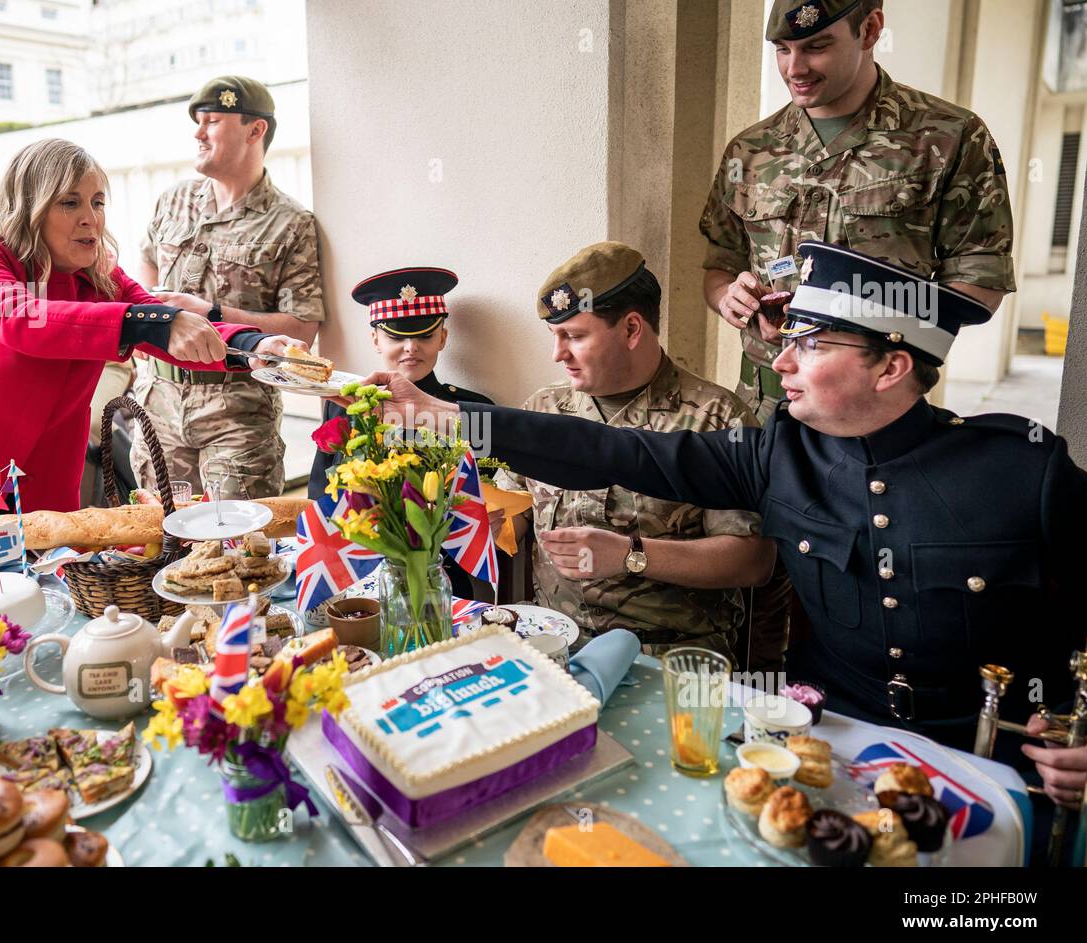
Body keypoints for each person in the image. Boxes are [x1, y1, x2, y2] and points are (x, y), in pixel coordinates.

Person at [352, 242, 1086, 796]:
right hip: (823, 747)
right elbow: (615, 451)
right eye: (788, 339)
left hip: (991, 768)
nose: (783, 361)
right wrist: (452, 420)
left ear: (891, 368)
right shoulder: (779, 456)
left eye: (812, 344)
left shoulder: (1024, 474)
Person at [0, 138, 302, 601]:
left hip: (37, 482)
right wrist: (150, 322)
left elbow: (167, 327)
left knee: (20, 617)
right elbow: (19, 317)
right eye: (70, 203)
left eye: (98, 201)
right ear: (30, 205)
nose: (90, 219)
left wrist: (255, 347)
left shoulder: (98, 274)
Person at [699, 0, 1017, 673]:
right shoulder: (751, 151)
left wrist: (863, 325)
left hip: (877, 418)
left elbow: (979, 283)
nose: (794, 68)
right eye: (781, 51)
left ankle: (853, 727)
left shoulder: (949, 138)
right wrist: (730, 296)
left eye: (814, 47)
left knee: (865, 588)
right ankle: (758, 726)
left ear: (871, 29)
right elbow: (718, 265)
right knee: (756, 579)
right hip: (764, 407)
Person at [494, 242, 774, 660]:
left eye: (574, 336)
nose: (558, 355)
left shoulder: (716, 419)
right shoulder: (545, 410)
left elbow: (753, 561)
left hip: (670, 657)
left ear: (630, 329)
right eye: (555, 336)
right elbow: (507, 514)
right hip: (556, 644)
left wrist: (631, 556)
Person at [135, 75, 326, 499]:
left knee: (238, 550)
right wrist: (154, 316)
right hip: (158, 408)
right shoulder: (174, 200)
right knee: (162, 541)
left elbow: (300, 331)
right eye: (198, 122)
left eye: (212, 121)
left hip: (238, 416)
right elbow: (147, 261)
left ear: (255, 129)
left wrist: (209, 313)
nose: (198, 133)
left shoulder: (291, 223)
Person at [309, 267, 494, 600]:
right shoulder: (348, 405)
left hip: (442, 578)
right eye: (396, 336)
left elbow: (489, 505)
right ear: (375, 339)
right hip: (356, 576)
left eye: (424, 335)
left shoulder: (471, 410)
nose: (411, 348)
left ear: (443, 337)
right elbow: (321, 492)